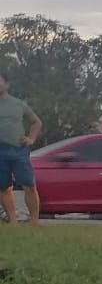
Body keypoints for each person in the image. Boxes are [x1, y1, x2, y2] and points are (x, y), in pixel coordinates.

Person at [0, 72, 42, 226]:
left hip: (18, 150)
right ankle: (12, 222)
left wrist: (31, 139)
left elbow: (36, 122)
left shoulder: (18, 104)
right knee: (4, 187)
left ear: (6, 84)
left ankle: (34, 222)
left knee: (29, 186)